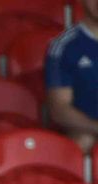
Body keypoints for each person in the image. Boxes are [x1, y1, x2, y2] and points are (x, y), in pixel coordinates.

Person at [46, 0, 98, 154]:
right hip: (88, 130)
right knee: (83, 140)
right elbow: (59, 108)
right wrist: (95, 126)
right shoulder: (65, 46)